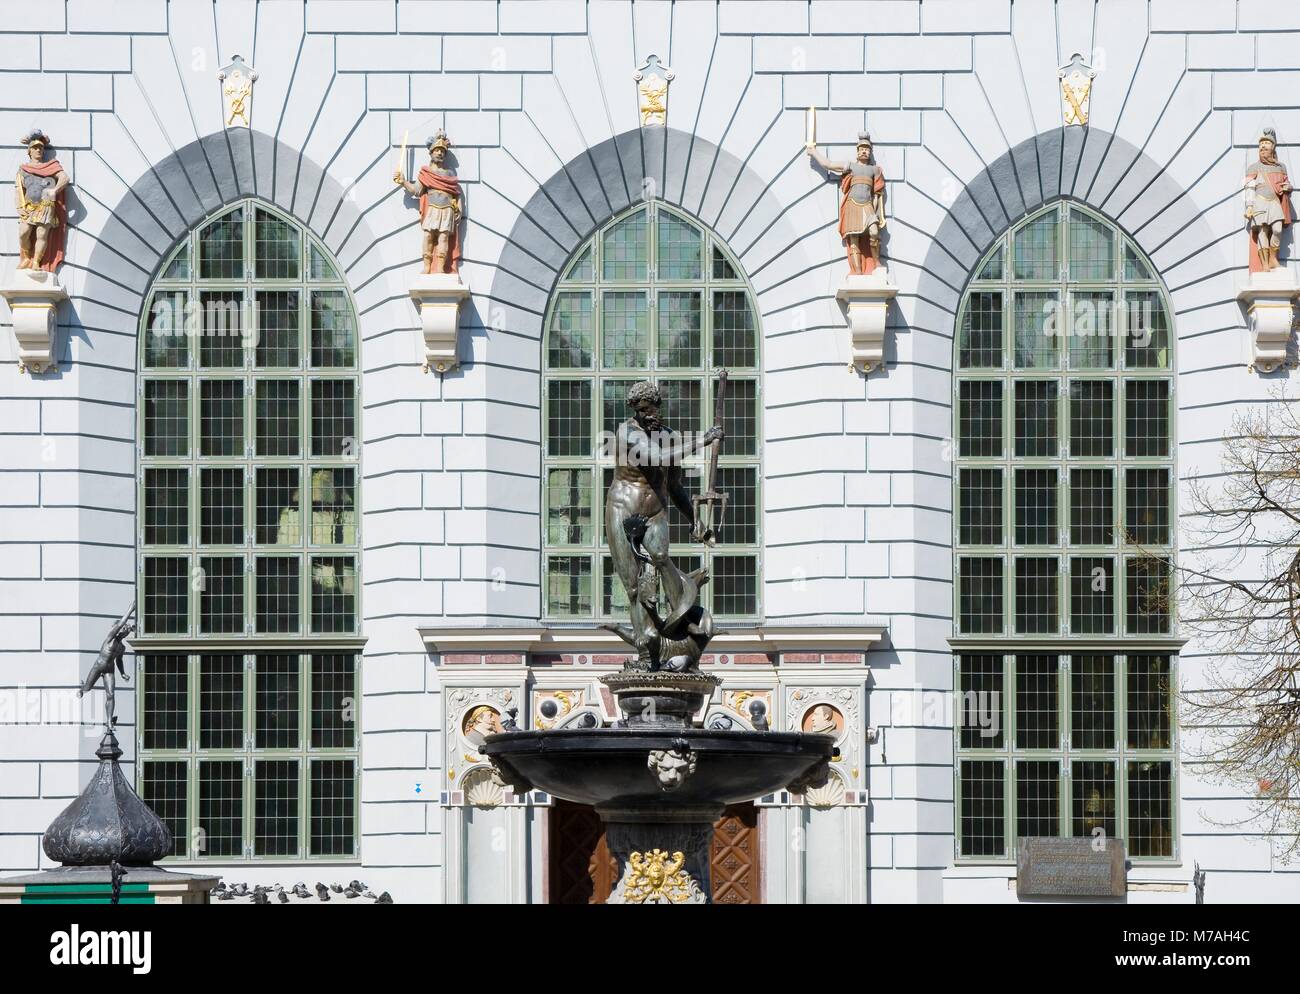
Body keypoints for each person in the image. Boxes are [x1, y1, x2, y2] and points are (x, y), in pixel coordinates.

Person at [605, 381, 722, 669]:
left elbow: (674, 486)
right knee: (633, 586)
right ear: (634, 411)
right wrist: (703, 441)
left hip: (655, 509)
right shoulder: (626, 433)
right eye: (641, 410)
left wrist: (695, 520)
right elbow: (656, 457)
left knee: (661, 558)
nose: (648, 415)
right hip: (623, 509)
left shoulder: (669, 436)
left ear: (659, 406)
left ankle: (679, 623)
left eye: (651, 408)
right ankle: (648, 651)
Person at [808, 131, 887, 275]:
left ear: (870, 152)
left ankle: (876, 263)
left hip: (868, 206)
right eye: (861, 149)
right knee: (854, 239)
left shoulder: (874, 170)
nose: (864, 151)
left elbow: (877, 194)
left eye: (867, 149)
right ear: (857, 152)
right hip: (852, 204)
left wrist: (875, 212)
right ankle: (857, 272)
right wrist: (814, 152)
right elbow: (829, 165)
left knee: (874, 232)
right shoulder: (850, 166)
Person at [394, 131, 462, 274]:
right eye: (437, 150)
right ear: (431, 153)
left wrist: (459, 209)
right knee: (428, 236)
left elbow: (456, 192)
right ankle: (427, 266)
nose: (440, 153)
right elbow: (416, 191)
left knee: (444, 237)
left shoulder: (450, 174)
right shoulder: (426, 173)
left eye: (442, 151)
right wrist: (403, 182)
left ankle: (441, 268)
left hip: (447, 209)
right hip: (432, 208)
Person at [15, 130, 71, 272]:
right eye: (35, 148)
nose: (38, 150)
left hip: (46, 205)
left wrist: (54, 191)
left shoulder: (51, 166)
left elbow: (64, 178)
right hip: (28, 206)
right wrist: (19, 207)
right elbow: (19, 189)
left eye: (40, 148)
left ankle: (36, 261)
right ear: (29, 151)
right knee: (23, 232)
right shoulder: (23, 169)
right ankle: (26, 257)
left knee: (41, 234)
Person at [1244, 128, 1292, 272]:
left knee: (1277, 230)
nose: (1263, 146)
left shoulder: (1281, 167)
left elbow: (1286, 183)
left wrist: (1288, 187)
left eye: (1266, 143)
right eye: (1261, 144)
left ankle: (1273, 258)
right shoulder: (1253, 167)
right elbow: (1249, 188)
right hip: (1259, 201)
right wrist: (1249, 206)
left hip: (1274, 202)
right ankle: (1265, 263)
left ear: (1273, 146)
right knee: (1263, 231)